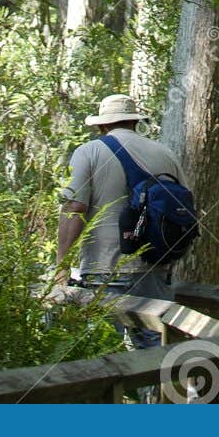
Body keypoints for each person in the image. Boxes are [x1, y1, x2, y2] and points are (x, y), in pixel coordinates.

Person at [55, 92, 185, 349]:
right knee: (157, 349)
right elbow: (183, 209)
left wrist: (61, 264)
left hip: (106, 267)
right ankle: (168, 389)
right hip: (155, 268)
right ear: (135, 122)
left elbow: (75, 209)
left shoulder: (89, 151)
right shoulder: (165, 153)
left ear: (102, 125)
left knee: (104, 350)